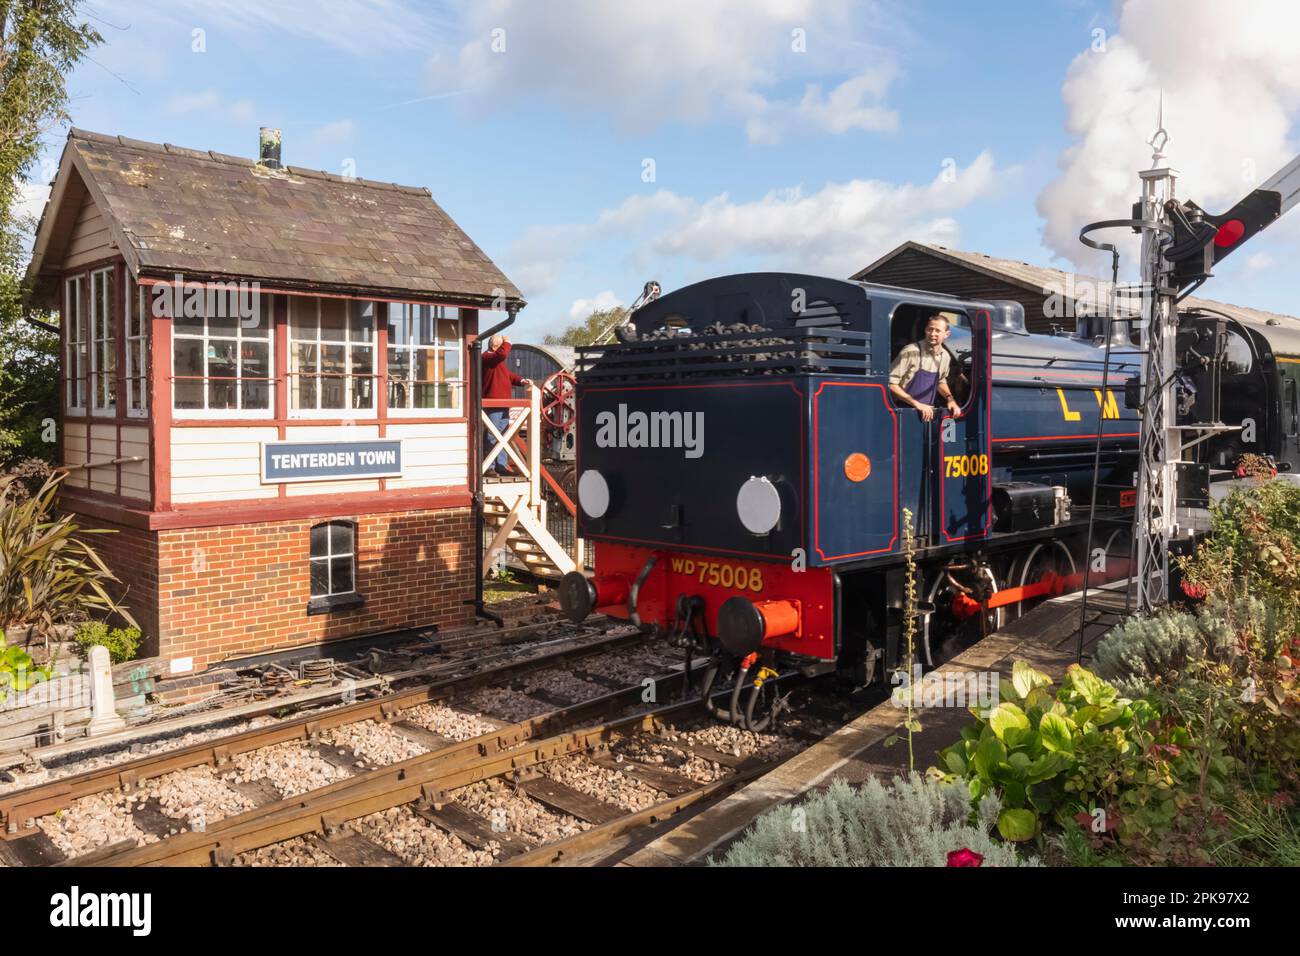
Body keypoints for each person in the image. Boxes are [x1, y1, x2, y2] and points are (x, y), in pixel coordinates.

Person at [889, 313, 962, 422]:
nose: (933, 334)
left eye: (937, 331)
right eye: (930, 329)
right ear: (925, 330)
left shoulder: (945, 356)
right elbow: (891, 383)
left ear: (947, 334)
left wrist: (950, 399)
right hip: (903, 412)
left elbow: (940, 381)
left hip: (927, 413)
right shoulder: (910, 351)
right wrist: (917, 404)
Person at [481, 334, 532, 476]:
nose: (504, 348)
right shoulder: (486, 357)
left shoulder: (496, 361)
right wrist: (508, 341)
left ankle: (501, 465)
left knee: (503, 434)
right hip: (493, 403)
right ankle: (489, 466)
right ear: (494, 346)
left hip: (504, 404)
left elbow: (508, 375)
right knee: (493, 435)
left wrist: (522, 381)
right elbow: (502, 354)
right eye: (501, 345)